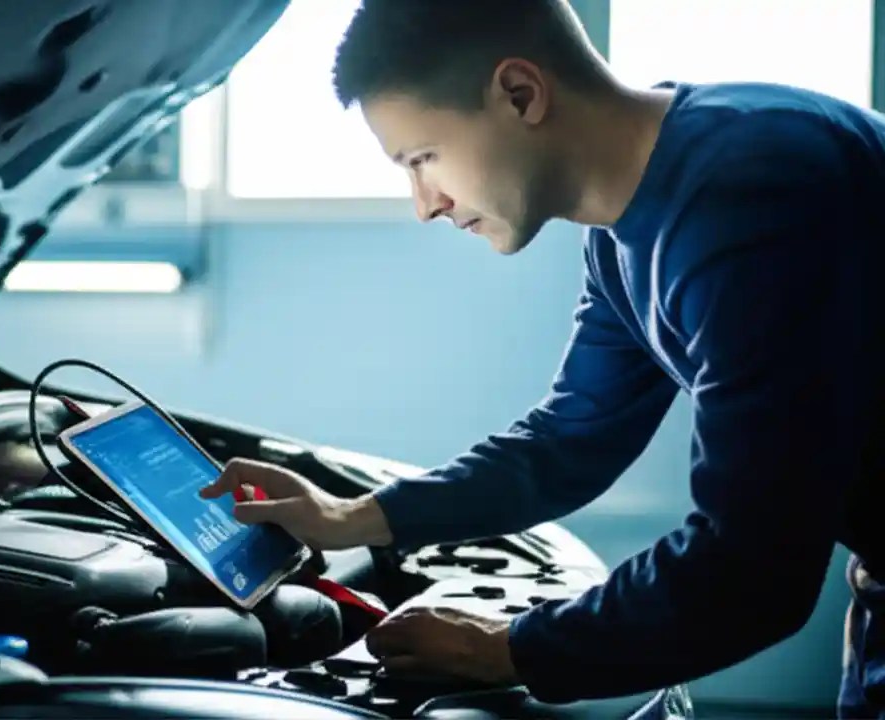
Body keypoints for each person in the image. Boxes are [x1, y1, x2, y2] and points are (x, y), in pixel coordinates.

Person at [199, 0, 885, 715]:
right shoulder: (630, 229)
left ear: (520, 93)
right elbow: (570, 441)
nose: (424, 204)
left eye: (423, 159)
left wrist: (504, 649)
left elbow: (751, 572)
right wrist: (352, 516)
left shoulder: (755, 195)